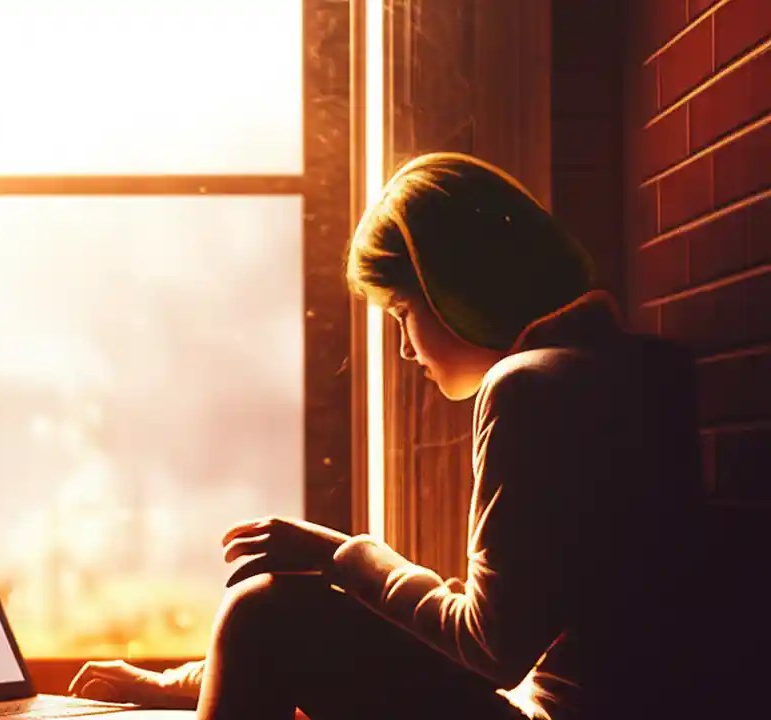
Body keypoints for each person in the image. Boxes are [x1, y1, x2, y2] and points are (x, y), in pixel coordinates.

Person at [66, 153, 705, 719]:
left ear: (455, 288)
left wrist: (346, 556)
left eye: (403, 312)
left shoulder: (526, 387)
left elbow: (488, 648)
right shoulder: (634, 371)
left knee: (263, 608)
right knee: (272, 616)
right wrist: (185, 683)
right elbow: (516, 620)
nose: (403, 347)